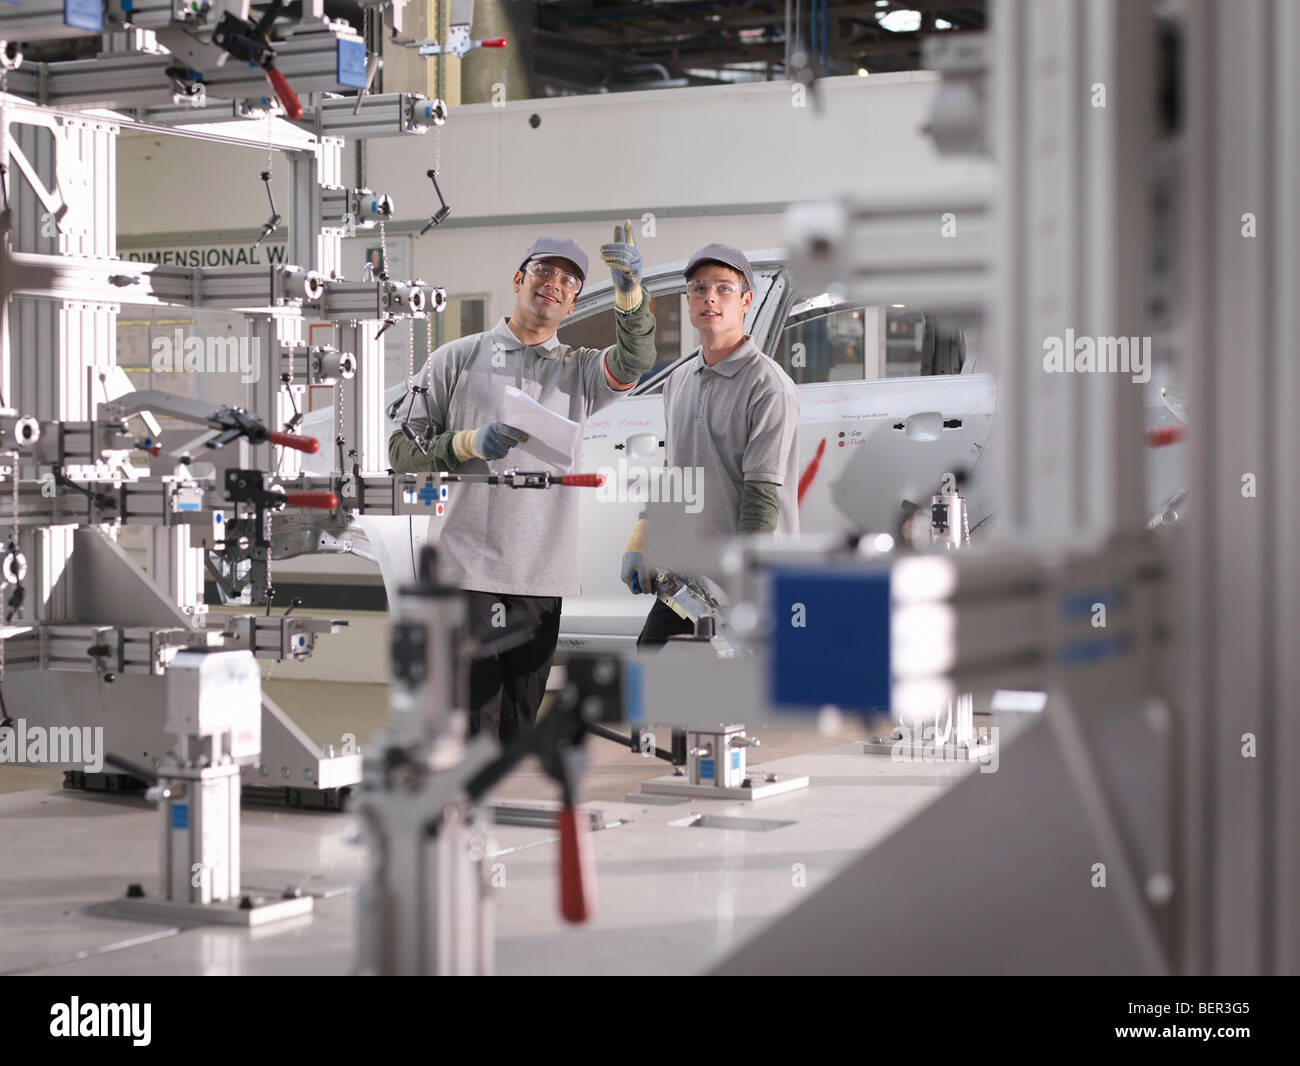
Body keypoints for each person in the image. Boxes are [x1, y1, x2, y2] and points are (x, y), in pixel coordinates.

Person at [389, 227, 655, 740]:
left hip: (541, 576)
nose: (554, 284)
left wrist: (630, 297)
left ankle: (498, 817)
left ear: (574, 302)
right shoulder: (455, 358)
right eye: (545, 272)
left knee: (517, 721)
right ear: (519, 278)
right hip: (467, 569)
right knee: (470, 721)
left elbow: (635, 361)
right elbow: (401, 452)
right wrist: (467, 443)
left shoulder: (578, 371)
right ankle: (460, 815)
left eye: (570, 281)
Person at [620, 243, 800, 646]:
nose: (710, 298)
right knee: (652, 689)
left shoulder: (768, 386)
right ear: (688, 301)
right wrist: (643, 535)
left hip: (746, 587)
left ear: (746, 300)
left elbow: (762, 497)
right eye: (698, 289)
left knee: (734, 706)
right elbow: (675, 473)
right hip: (688, 585)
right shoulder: (678, 382)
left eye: (723, 288)